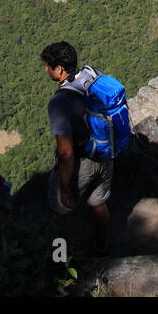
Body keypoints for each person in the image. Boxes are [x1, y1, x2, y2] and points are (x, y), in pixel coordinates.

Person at [41, 41, 113, 254]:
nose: (46, 69)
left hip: (82, 163)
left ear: (60, 69)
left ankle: (61, 261)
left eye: (48, 66)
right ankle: (102, 246)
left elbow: (66, 152)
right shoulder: (92, 75)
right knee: (99, 204)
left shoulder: (59, 102)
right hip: (105, 154)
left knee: (61, 216)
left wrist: (63, 188)